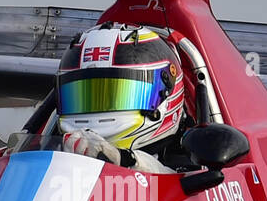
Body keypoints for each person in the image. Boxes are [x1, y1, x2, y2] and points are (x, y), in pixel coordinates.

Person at [52, 25, 189, 174]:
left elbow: (172, 178)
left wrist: (124, 159)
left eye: (118, 94)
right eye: (83, 97)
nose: (99, 107)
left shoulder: (190, 157)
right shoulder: (55, 151)